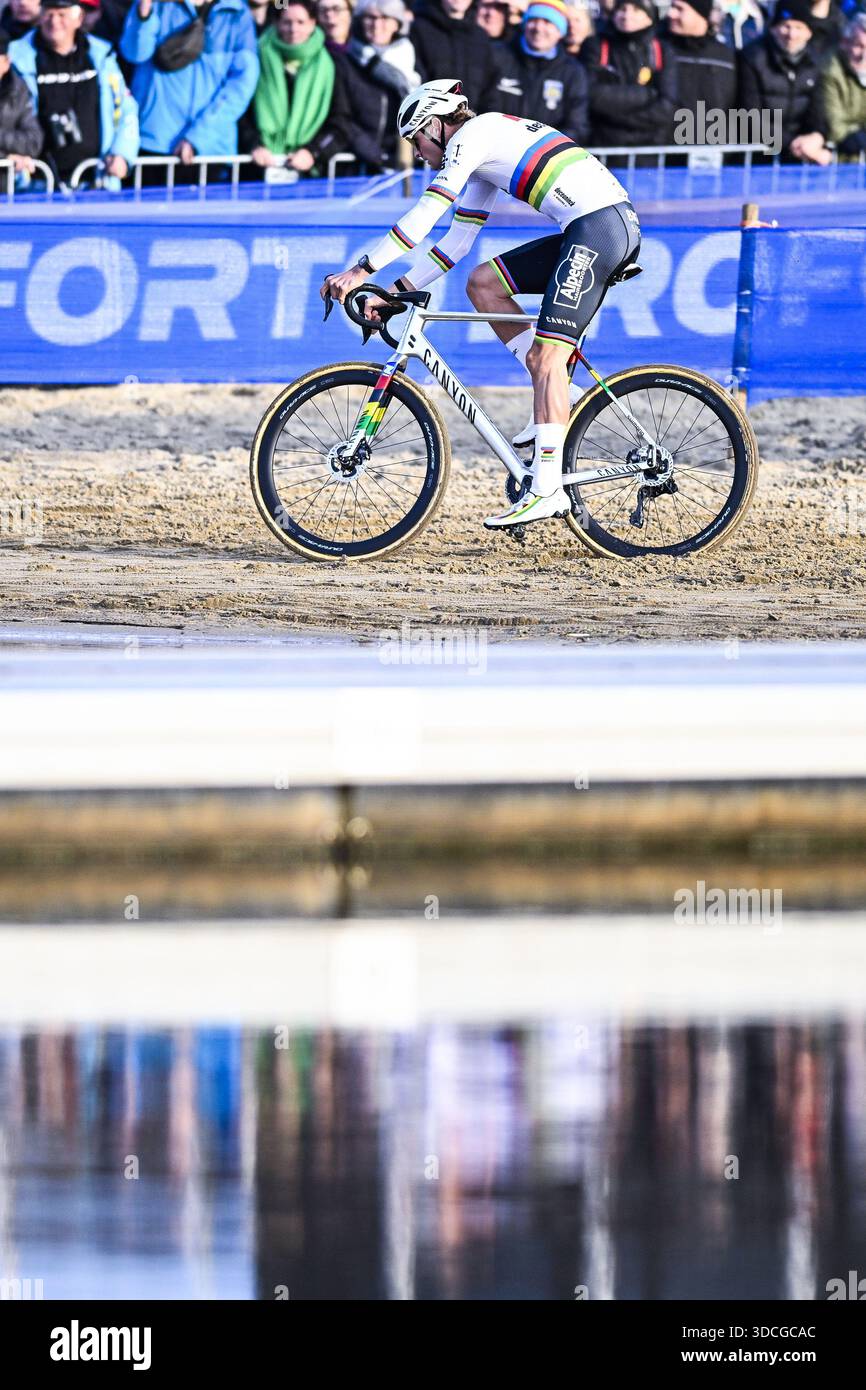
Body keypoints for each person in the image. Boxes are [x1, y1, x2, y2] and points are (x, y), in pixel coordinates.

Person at [321, 79, 641, 530]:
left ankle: (546, 488)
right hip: (594, 225)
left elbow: (426, 215)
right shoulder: (482, 155)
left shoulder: (473, 138)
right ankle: (559, 401)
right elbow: (455, 243)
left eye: (415, 140)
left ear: (434, 125)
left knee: (546, 355)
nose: (417, 154)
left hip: (600, 228)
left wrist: (361, 270)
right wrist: (395, 292)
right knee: (483, 284)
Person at [10, 0, 137, 185]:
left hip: (97, 183)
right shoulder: (17, 59)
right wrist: (7, 155)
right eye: (48, 13)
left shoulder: (102, 56)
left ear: (79, 18)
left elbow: (126, 109)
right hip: (36, 186)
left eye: (62, 14)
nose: (54, 21)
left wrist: (123, 154)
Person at [121, 0, 258, 166]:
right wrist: (143, 13)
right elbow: (134, 54)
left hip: (211, 148)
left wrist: (198, 137)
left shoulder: (237, 12)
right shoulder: (158, 5)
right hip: (155, 141)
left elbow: (241, 85)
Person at [241, 0, 349, 175]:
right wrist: (254, 145)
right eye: (287, 22)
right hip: (259, 168)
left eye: (301, 22)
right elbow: (242, 112)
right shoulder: (257, 55)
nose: (293, 29)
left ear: (313, 23)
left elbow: (340, 122)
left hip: (309, 173)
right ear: (276, 23)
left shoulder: (331, 64)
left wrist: (313, 152)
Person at [317, 0, 417, 169]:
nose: (377, 24)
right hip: (356, 164)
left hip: (401, 162)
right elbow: (343, 116)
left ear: (397, 24)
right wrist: (376, 155)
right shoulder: (346, 61)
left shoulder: (409, 59)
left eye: (385, 17)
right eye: (370, 17)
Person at [740, 0, 832, 162]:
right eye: (785, 26)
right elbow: (750, 117)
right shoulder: (752, 58)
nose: (791, 35)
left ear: (808, 32)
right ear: (773, 29)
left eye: (798, 27)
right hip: (758, 157)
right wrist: (793, 144)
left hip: (798, 157)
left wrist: (817, 136)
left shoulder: (814, 63)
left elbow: (819, 113)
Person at [492, 0, 590, 144]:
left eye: (547, 22)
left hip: (545, 159)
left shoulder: (572, 72)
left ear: (560, 31)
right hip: (496, 153)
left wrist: (545, 146)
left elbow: (577, 125)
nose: (538, 28)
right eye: (533, 20)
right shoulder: (498, 56)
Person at [582, 0, 676, 147]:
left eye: (636, 10)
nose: (627, 15)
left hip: (649, 147)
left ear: (649, 17)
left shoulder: (661, 50)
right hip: (604, 144)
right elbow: (590, 95)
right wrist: (647, 94)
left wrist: (619, 116)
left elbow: (666, 105)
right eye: (622, 9)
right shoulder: (596, 45)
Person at [410, 0, 505, 111]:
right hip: (430, 120)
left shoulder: (480, 37)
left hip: (470, 123)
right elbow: (415, 80)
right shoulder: (419, 29)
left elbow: (490, 89)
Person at [664, 0, 737, 123]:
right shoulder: (659, 50)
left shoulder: (725, 57)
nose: (671, 13)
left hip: (713, 139)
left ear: (700, 14)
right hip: (665, 141)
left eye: (679, 9)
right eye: (672, 7)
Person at [0, 27, 43, 179]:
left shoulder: (18, 90)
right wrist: (5, 158)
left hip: (7, 190)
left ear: (6, 62)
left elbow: (33, 141)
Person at [822, 12, 866, 155]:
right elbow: (835, 126)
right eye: (859, 46)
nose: (863, 56)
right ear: (845, 43)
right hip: (840, 164)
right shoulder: (830, 71)